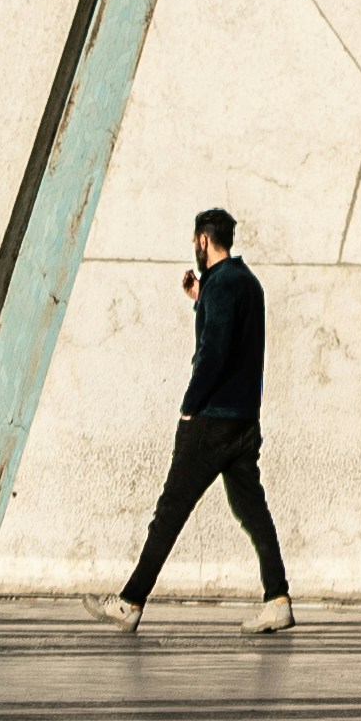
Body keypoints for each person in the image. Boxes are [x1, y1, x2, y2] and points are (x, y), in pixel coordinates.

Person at [112, 211, 293, 628]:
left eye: (195, 241)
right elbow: (234, 332)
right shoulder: (246, 282)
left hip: (212, 420)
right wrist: (201, 296)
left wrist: (189, 406)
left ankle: (130, 602)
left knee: (170, 511)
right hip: (244, 421)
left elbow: (214, 351)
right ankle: (278, 598)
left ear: (204, 240)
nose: (195, 247)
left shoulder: (222, 285)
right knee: (253, 511)